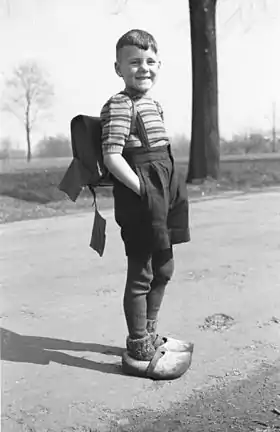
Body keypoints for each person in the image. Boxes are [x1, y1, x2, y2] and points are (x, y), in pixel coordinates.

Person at [100, 29, 191, 366]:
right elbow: (112, 156)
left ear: (159, 64)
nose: (144, 68)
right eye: (134, 62)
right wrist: (144, 191)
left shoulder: (154, 104)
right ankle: (138, 344)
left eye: (150, 61)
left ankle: (151, 331)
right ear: (118, 68)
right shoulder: (120, 104)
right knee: (142, 271)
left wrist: (166, 191)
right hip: (142, 196)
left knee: (164, 267)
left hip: (167, 190)